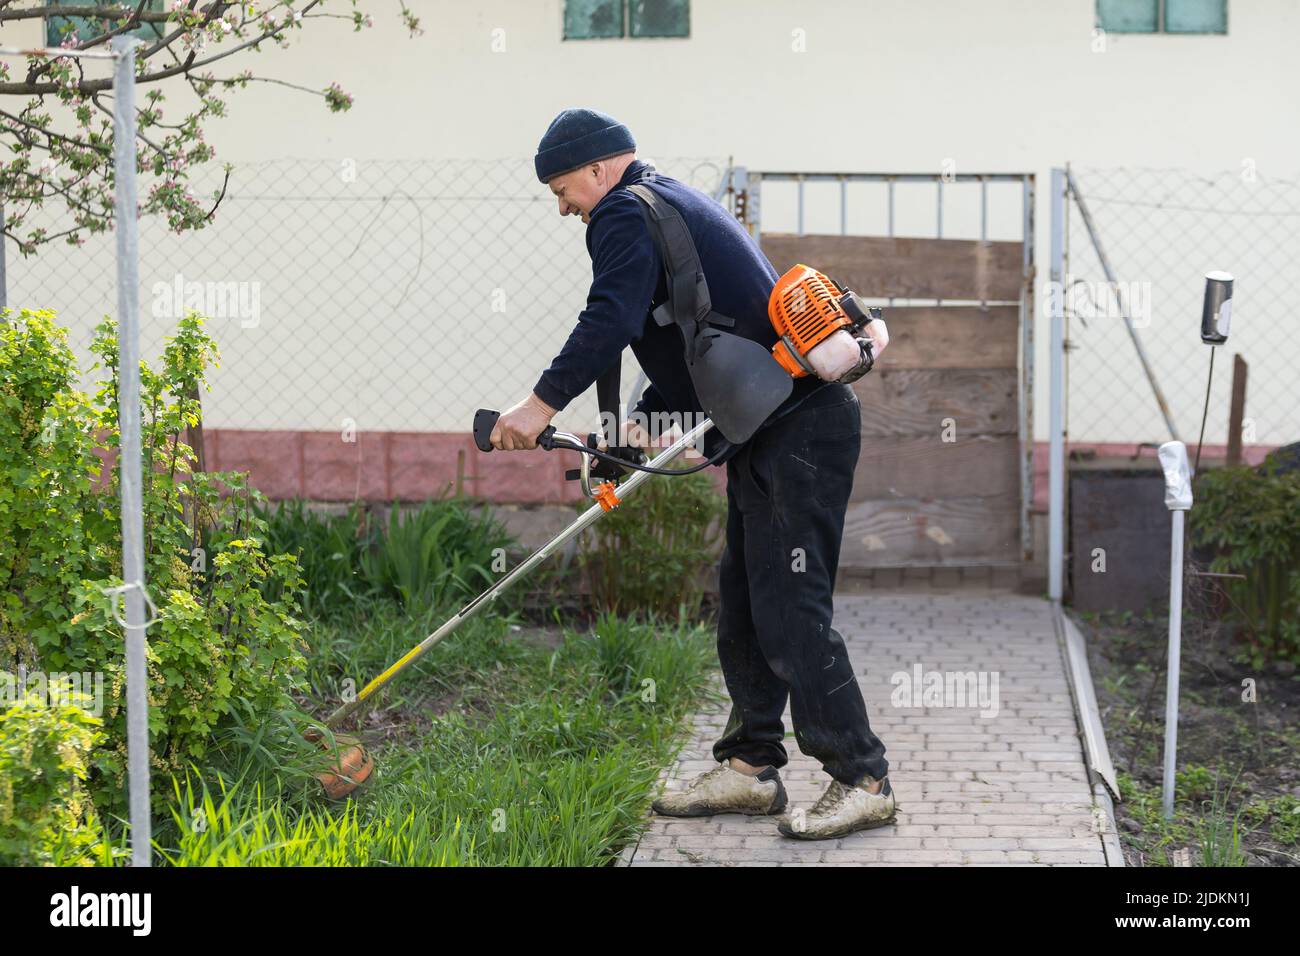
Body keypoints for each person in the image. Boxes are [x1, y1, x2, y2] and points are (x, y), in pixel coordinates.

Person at [490, 108, 895, 839]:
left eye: (561, 189)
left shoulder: (623, 211)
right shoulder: (663, 202)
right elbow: (691, 333)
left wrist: (537, 403)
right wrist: (640, 429)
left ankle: (863, 776)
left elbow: (607, 319)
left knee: (791, 608)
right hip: (775, 429)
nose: (561, 207)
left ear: (597, 168)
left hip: (798, 431)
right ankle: (749, 768)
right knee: (742, 599)